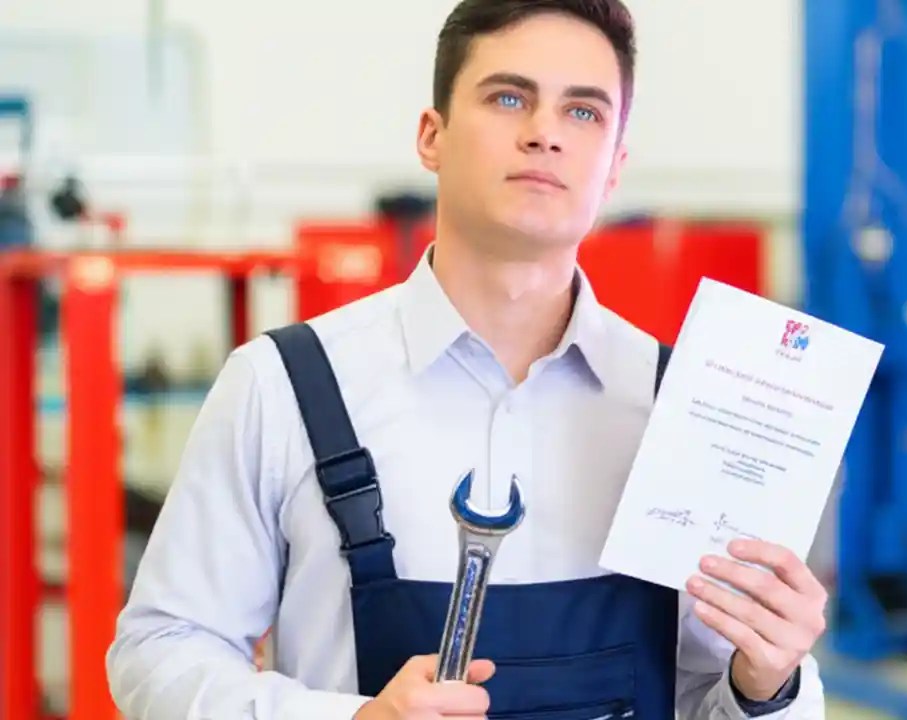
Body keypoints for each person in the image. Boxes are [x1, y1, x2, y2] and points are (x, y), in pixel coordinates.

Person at [106, 1, 830, 718]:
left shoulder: (688, 412)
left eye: (584, 113)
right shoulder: (283, 387)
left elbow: (709, 698)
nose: (545, 133)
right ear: (432, 136)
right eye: (509, 97)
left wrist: (770, 688)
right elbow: (160, 652)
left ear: (614, 168)